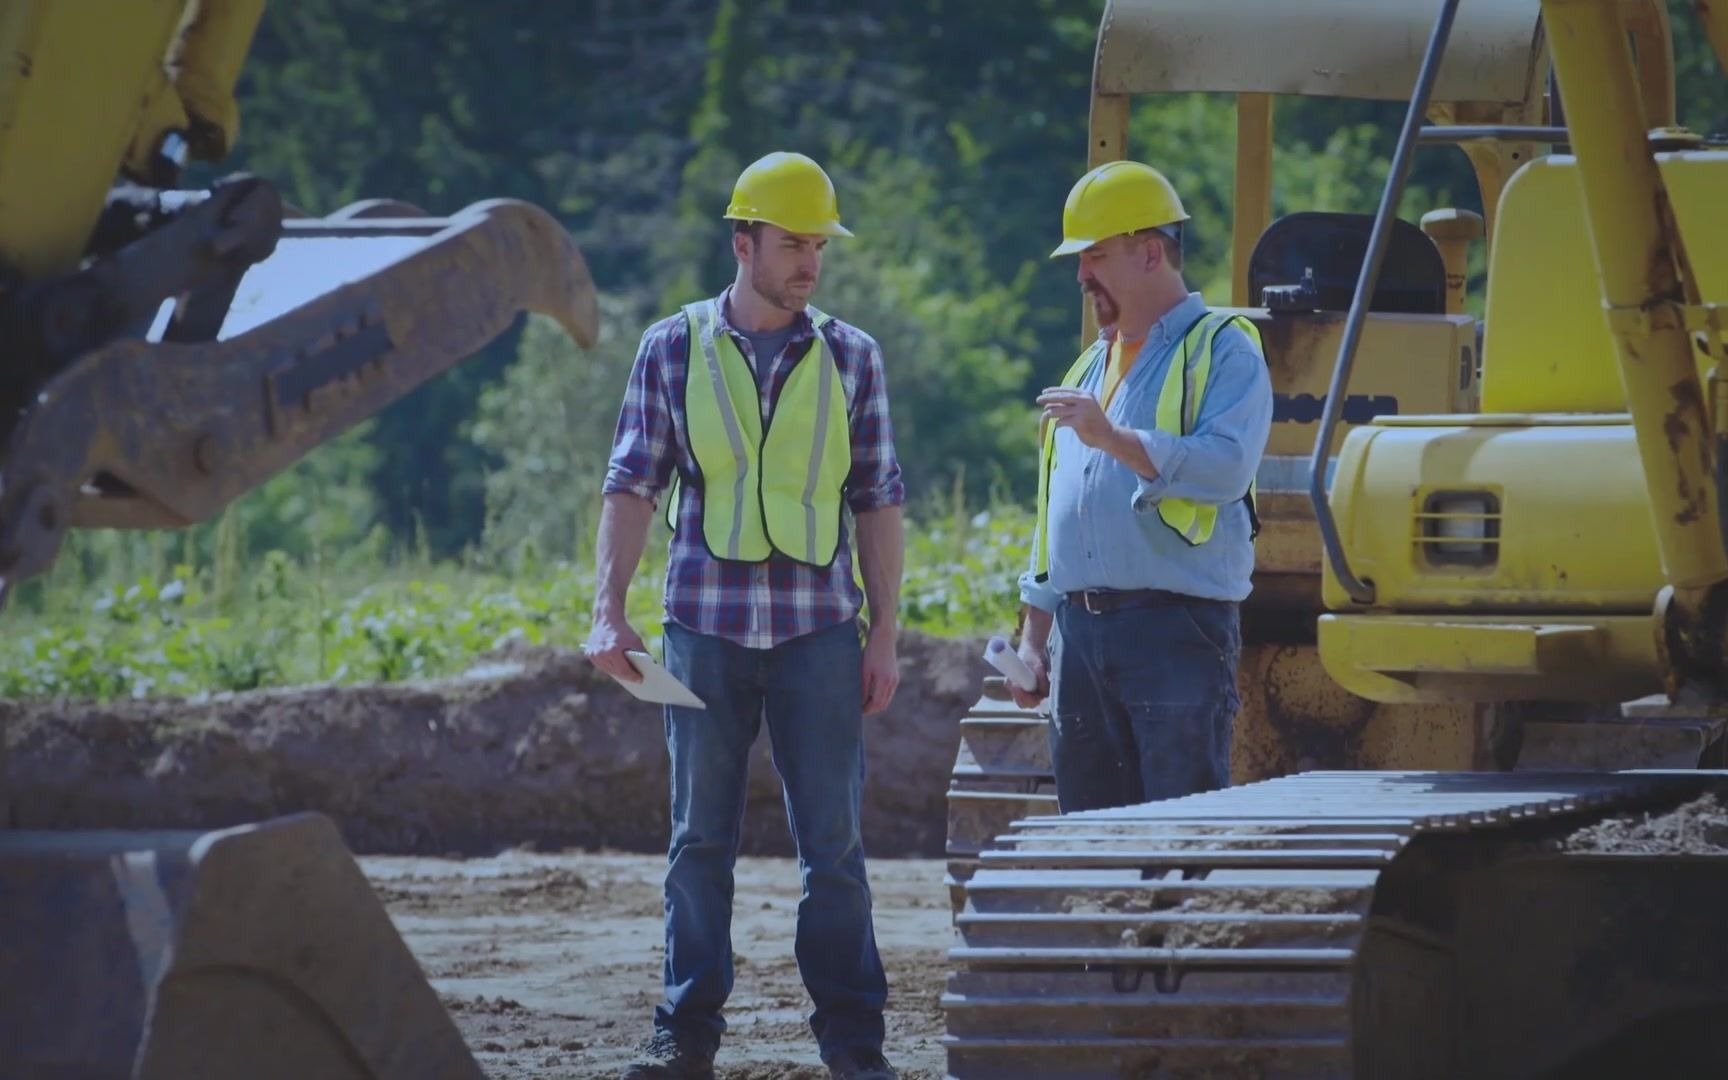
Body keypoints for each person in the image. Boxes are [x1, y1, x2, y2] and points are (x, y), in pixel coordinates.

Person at [585, 150, 906, 1080]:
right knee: (697, 843)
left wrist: (882, 633)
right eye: (792, 243)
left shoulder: (853, 356)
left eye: (819, 245)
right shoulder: (672, 348)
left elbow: (878, 496)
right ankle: (683, 1039)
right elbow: (630, 484)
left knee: (836, 851)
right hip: (702, 634)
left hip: (817, 636)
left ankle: (855, 1045)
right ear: (743, 241)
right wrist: (608, 610)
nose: (809, 263)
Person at [1009, 159, 1272, 814]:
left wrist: (1113, 439)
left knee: (1177, 830)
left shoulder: (1226, 348)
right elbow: (1056, 515)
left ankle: (1171, 922)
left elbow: (1226, 467)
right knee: (1089, 834)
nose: (1080, 275)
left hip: (1175, 630)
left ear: (1150, 252)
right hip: (1081, 636)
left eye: (1094, 255)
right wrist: (1032, 641)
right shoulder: (1090, 365)